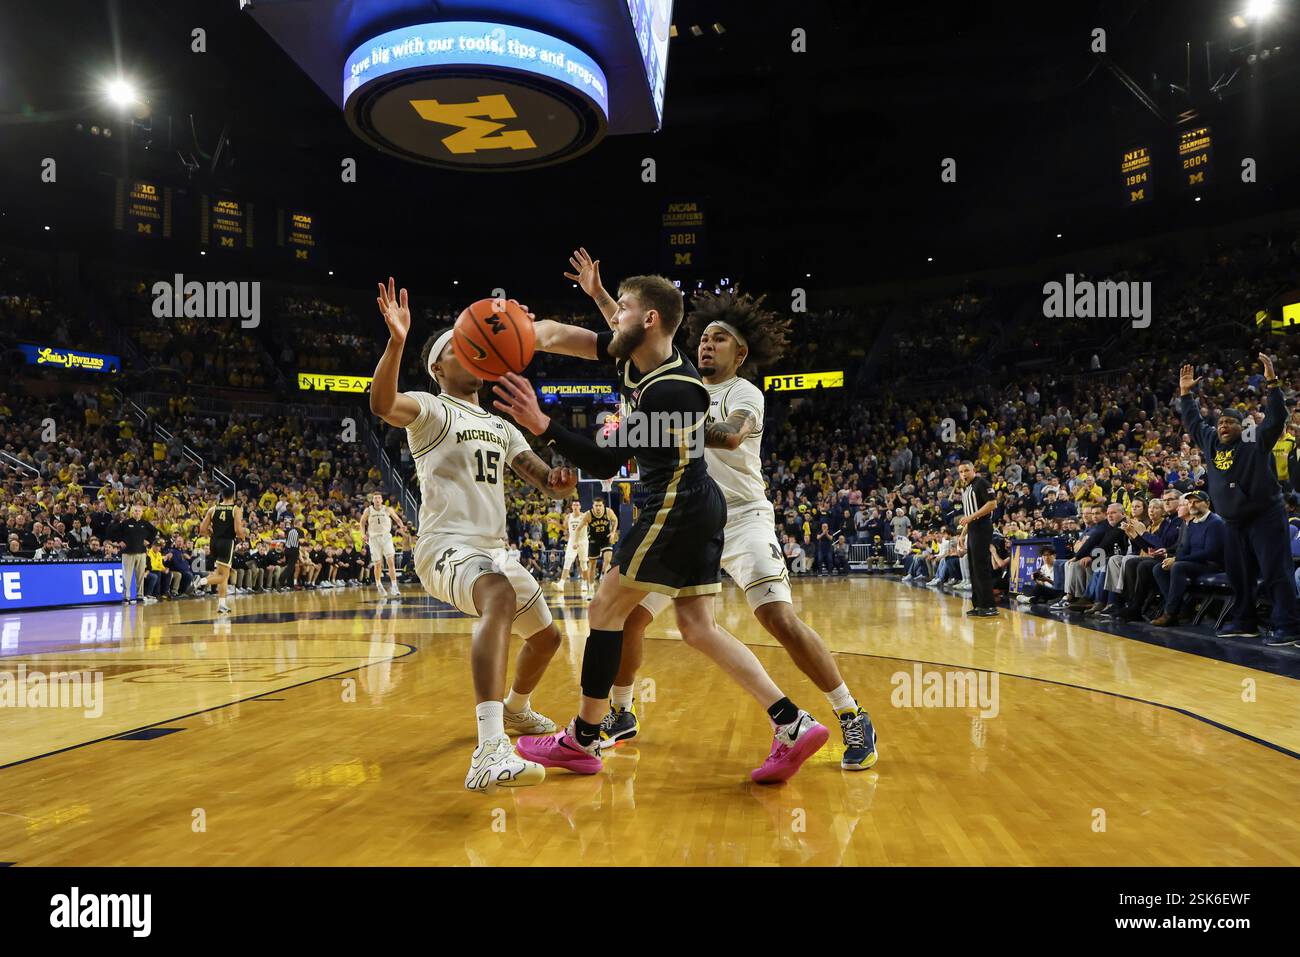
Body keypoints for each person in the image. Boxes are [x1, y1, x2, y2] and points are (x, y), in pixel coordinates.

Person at [492, 259, 829, 782]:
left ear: (648, 321)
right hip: (698, 505)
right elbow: (564, 335)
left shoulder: (674, 391)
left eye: (622, 311)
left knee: (605, 607)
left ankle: (583, 738)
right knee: (698, 628)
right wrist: (513, 329)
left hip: (676, 503)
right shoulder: (640, 358)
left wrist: (540, 422)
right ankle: (792, 722)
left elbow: (605, 461)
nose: (613, 320)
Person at [567, 277, 877, 769]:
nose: (707, 344)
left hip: (742, 517)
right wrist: (602, 297)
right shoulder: (675, 378)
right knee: (628, 617)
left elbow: (732, 436)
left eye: (720, 339)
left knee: (777, 617)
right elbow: (630, 334)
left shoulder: (743, 392)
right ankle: (621, 712)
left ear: (740, 352)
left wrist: (671, 423)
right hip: (681, 516)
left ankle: (851, 713)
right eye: (704, 337)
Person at [370, 276, 572, 793]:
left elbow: (541, 479)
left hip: (493, 551)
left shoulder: (502, 425)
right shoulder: (431, 408)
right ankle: (488, 750)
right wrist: (396, 342)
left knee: (548, 639)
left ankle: (517, 711)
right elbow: (382, 405)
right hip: (445, 548)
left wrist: (560, 478)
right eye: (461, 349)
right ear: (440, 366)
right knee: (498, 598)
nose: (476, 353)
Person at [1179, 357, 1300, 645]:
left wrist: (1272, 383)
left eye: (1230, 422)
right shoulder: (1210, 442)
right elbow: (1194, 422)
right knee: (1238, 575)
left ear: (1241, 425)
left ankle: (1290, 626)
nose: (1223, 426)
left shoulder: (1254, 440)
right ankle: (1245, 621)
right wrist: (1186, 395)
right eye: (1220, 422)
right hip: (1233, 522)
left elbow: (1276, 418)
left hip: (1264, 517)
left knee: (1275, 571)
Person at [1151, 491, 1226, 627]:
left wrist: (1177, 560)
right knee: (1159, 568)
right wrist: (1171, 557)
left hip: (1211, 564)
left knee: (1178, 567)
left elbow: (1210, 552)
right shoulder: (1192, 523)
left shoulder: (1215, 522)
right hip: (1194, 562)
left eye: (1197, 501)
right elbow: (1185, 550)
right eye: (1190, 502)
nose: (1193, 505)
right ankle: (1181, 608)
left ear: (1208, 503)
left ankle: (1169, 613)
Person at [956, 461, 997, 617]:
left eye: (966, 470)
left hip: (982, 527)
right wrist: (962, 535)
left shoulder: (981, 483)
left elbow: (992, 504)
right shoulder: (966, 489)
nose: (964, 474)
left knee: (981, 567)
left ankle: (989, 606)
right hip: (973, 529)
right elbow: (969, 518)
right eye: (961, 471)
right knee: (973, 568)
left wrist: (970, 518)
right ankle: (979, 604)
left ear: (973, 470)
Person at [198, 486, 246, 615]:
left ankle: (222, 604)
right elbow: (238, 530)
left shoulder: (213, 509)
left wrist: (212, 533)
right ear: (233, 496)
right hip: (227, 543)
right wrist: (243, 537)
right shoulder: (236, 509)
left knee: (223, 574)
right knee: (223, 575)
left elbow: (202, 530)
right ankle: (201, 581)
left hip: (214, 542)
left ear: (222, 496)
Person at [108, 502, 158, 605]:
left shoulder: (145, 523)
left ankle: (139, 596)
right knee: (127, 576)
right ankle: (126, 597)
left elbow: (154, 531)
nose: (137, 513)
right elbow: (113, 531)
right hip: (128, 553)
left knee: (140, 576)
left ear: (142, 513)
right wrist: (119, 541)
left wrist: (149, 540)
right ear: (132, 512)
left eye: (139, 511)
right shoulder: (126, 523)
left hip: (141, 553)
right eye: (135, 511)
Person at [361, 492, 408, 599]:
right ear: (372, 500)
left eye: (379, 498)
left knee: (391, 562)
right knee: (378, 564)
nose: (377, 500)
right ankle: (378, 584)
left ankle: (394, 586)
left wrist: (402, 526)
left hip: (386, 537)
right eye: (375, 498)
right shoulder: (368, 510)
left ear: (382, 500)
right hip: (374, 539)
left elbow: (397, 519)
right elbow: (362, 522)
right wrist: (363, 534)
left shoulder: (387, 509)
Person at [556, 499, 591, 597]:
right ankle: (561, 584)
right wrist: (554, 523)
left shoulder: (584, 516)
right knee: (567, 560)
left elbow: (588, 527)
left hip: (582, 541)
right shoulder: (568, 516)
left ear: (580, 507)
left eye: (577, 505)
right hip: (572, 541)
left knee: (583, 564)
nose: (575, 506)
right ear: (572, 507)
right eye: (574, 505)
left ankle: (584, 583)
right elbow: (564, 528)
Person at [585, 495, 619, 583]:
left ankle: (603, 575)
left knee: (608, 559)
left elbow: (615, 520)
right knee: (592, 565)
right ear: (593, 506)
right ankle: (591, 588)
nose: (598, 507)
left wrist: (613, 532)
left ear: (603, 506)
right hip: (593, 539)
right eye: (596, 505)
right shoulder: (588, 514)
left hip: (606, 538)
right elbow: (579, 528)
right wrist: (577, 540)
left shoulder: (608, 512)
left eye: (600, 505)